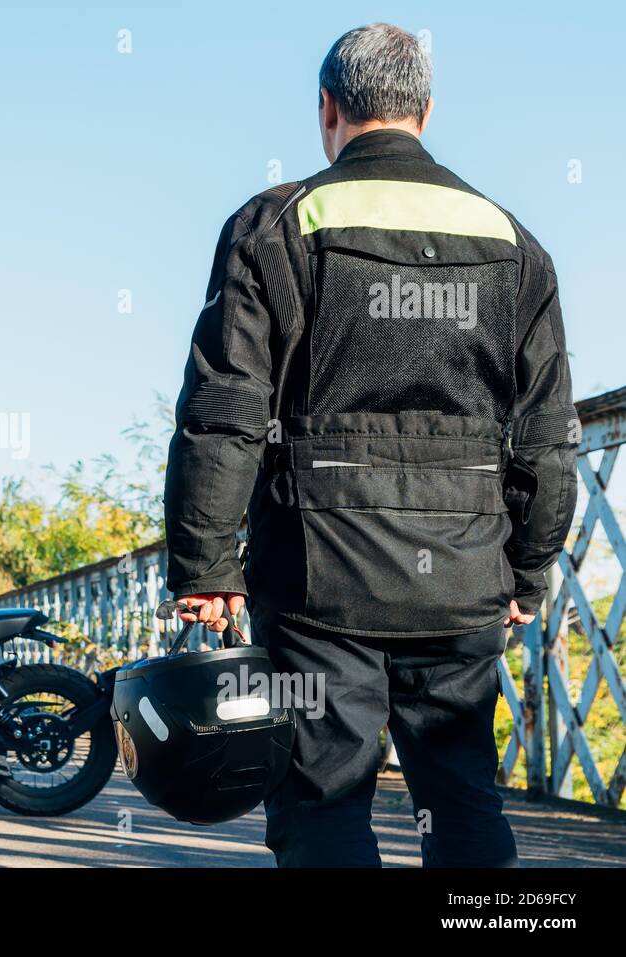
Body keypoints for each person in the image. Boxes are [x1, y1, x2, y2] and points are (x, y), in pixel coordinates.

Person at [163, 23, 578, 867]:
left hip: (319, 583)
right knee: (463, 798)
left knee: (323, 804)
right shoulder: (515, 243)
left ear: (327, 108)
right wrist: (526, 572)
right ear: (426, 110)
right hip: (464, 578)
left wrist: (204, 566)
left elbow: (225, 412)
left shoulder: (274, 223)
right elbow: (545, 440)